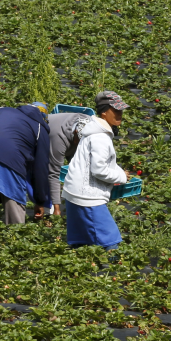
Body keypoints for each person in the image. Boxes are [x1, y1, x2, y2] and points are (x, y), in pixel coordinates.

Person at [62, 91, 130, 250]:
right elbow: (99, 170)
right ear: (104, 112)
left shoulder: (93, 132)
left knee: (79, 242)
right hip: (87, 196)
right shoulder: (100, 137)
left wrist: (119, 171)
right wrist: (121, 176)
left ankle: (80, 270)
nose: (119, 114)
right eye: (115, 110)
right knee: (111, 241)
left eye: (121, 110)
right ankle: (114, 268)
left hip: (74, 191)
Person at [0, 101, 51, 224]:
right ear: (43, 117)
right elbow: (40, 169)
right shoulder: (39, 127)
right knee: (14, 218)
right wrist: (40, 201)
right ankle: (13, 238)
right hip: (11, 159)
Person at [46, 108, 92, 217]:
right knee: (41, 173)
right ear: (75, 132)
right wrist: (57, 208)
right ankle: (48, 205)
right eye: (79, 142)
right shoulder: (58, 139)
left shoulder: (89, 123)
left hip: (69, 140)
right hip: (41, 141)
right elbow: (53, 174)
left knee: (83, 169)